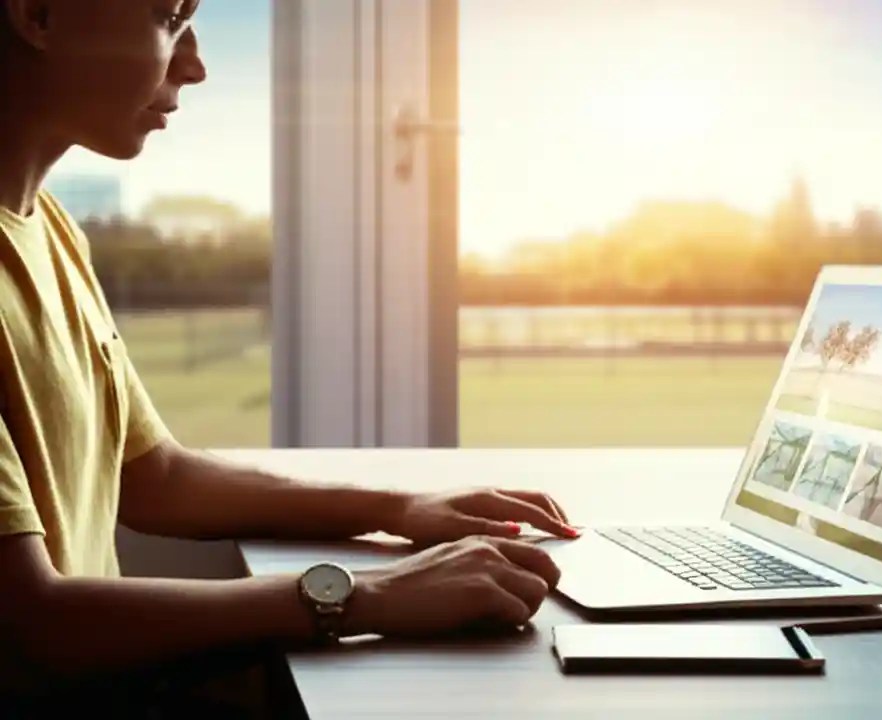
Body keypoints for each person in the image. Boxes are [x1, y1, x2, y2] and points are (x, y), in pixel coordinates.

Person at [0, 1, 577, 714]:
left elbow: (156, 477)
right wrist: (368, 595)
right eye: (169, 17)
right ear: (38, 13)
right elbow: (33, 623)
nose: (195, 64)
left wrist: (401, 508)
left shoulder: (51, 228)